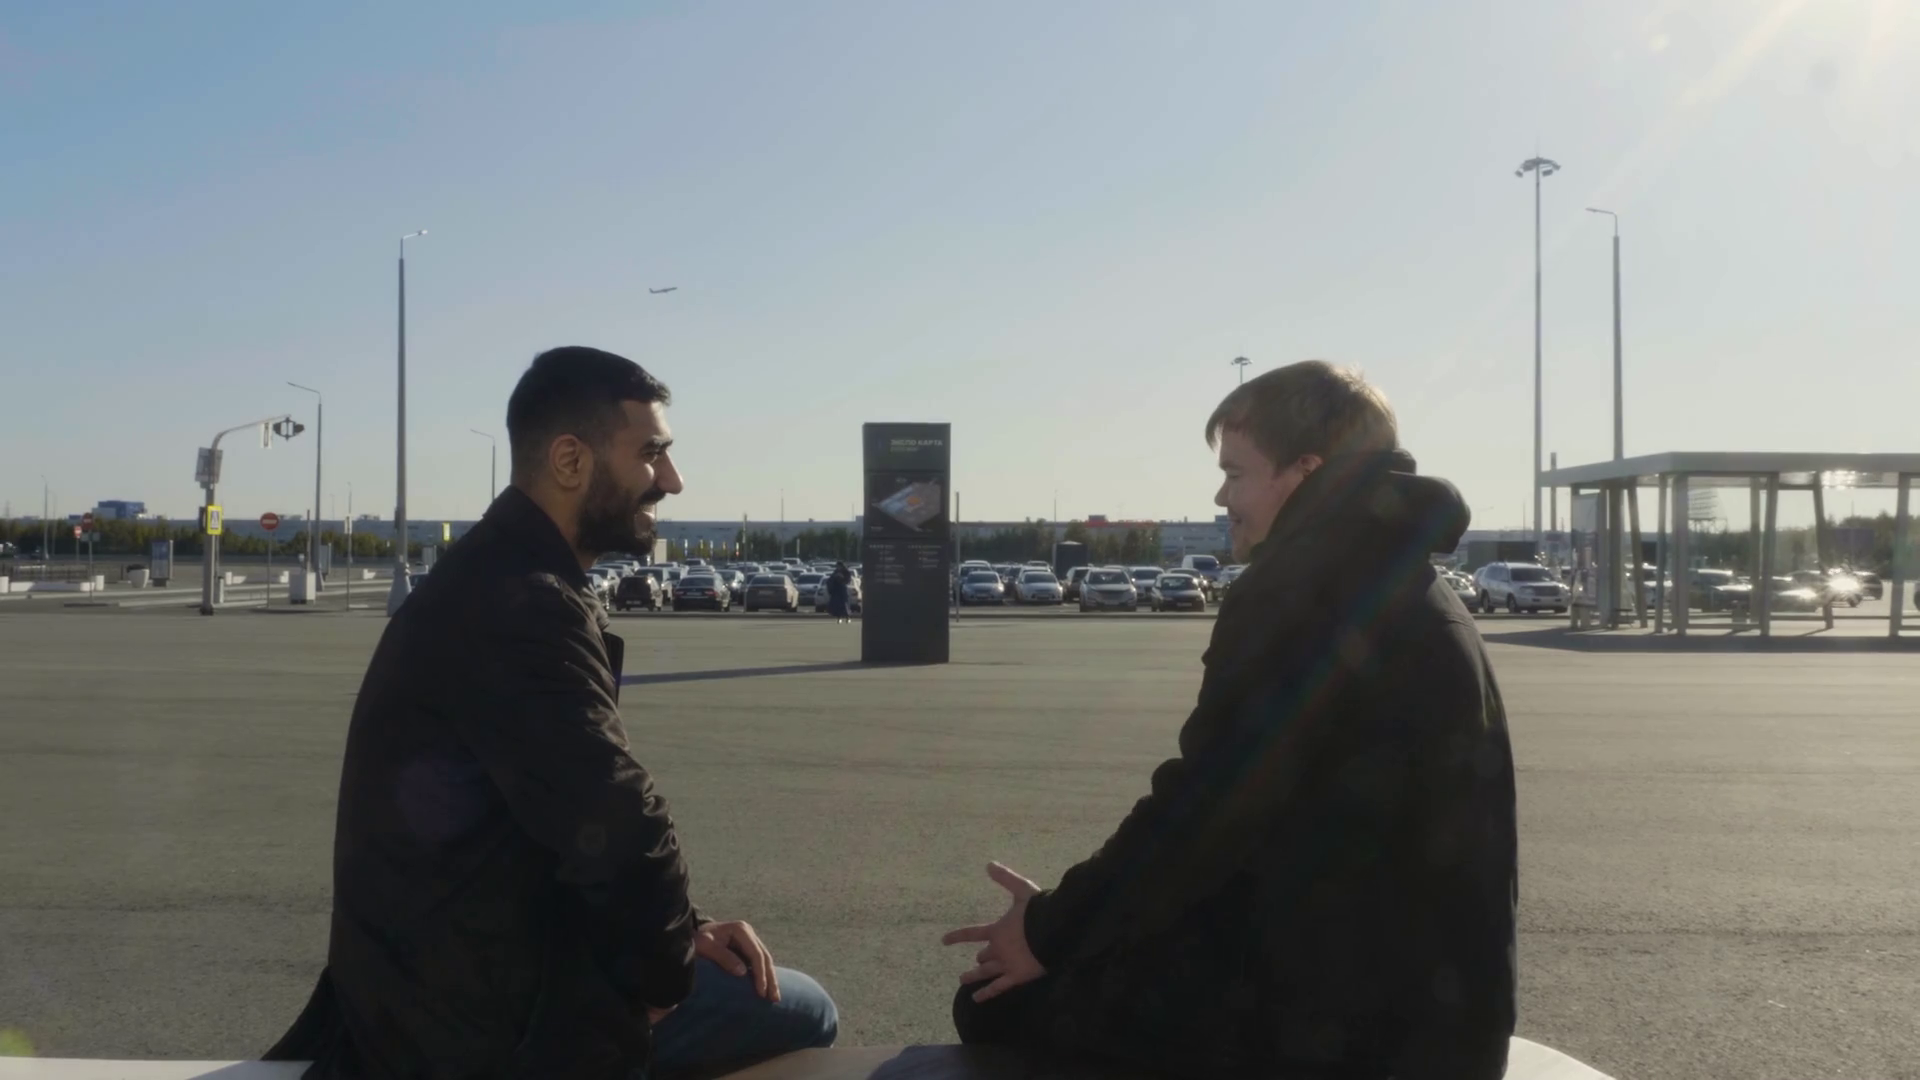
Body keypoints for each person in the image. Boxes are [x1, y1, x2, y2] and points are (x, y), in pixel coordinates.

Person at [268, 347, 836, 1079]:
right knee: (805, 1008)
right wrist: (658, 974)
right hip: (480, 1030)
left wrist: (686, 931)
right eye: (653, 454)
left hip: (439, 984)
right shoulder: (526, 605)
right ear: (571, 461)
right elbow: (621, 822)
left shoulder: (494, 576)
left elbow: (557, 819)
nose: (671, 480)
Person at [942, 361, 1516, 1080]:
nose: (1221, 495)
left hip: (1347, 1036)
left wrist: (1051, 931)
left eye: (1236, 473)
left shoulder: (1300, 589)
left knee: (993, 1004)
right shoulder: (1408, 580)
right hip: (1441, 1019)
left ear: (1305, 473)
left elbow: (1201, 812)